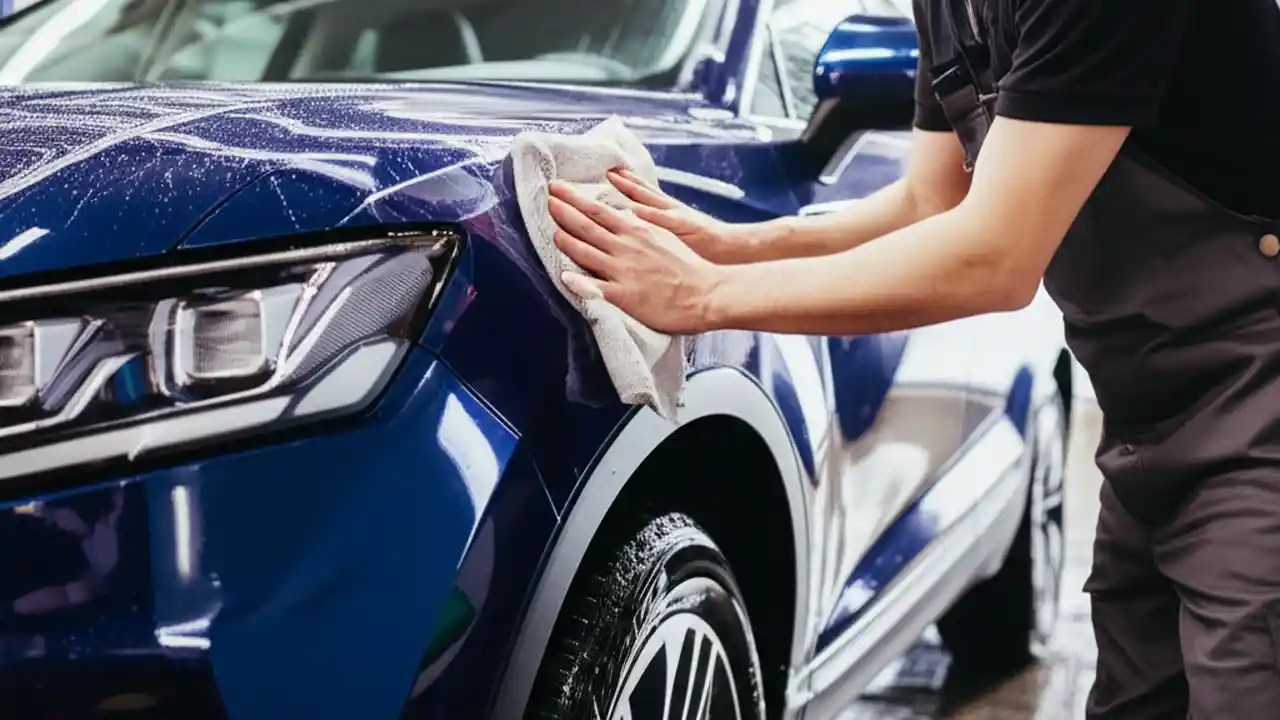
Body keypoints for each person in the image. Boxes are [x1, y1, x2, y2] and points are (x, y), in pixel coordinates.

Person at [546, 0, 1280, 717]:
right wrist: (731, 244)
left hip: (1258, 394)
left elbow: (994, 257)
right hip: (1148, 418)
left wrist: (708, 294)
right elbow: (932, 203)